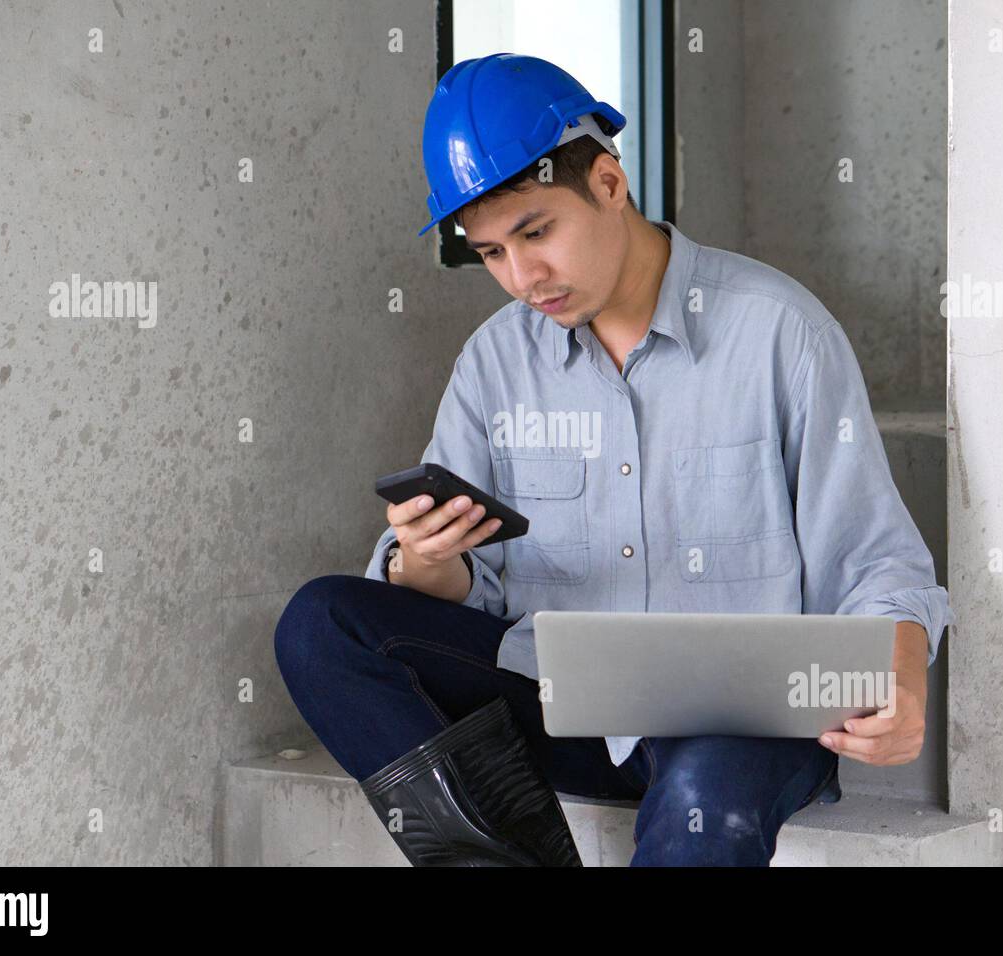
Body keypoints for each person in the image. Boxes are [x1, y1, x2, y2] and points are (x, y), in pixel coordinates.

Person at [274, 53, 954, 866]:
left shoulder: (779, 334)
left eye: (536, 233)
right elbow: (467, 597)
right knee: (322, 623)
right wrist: (425, 559)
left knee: (707, 793)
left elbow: (879, 565)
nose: (523, 278)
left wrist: (903, 682)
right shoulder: (495, 363)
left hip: (739, 727)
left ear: (606, 182)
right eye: (492, 253)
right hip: (557, 710)